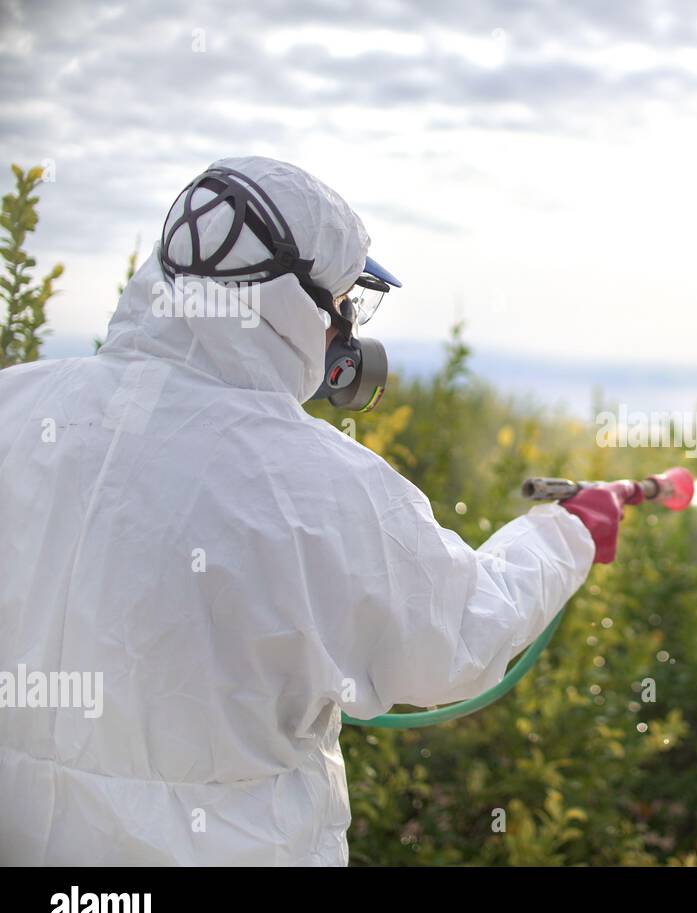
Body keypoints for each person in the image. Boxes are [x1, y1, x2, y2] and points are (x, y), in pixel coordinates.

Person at [0, 156, 624, 865]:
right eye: (345, 302)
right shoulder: (316, 483)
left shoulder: (15, 406)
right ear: (297, 305)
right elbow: (460, 637)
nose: (345, 329)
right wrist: (567, 531)